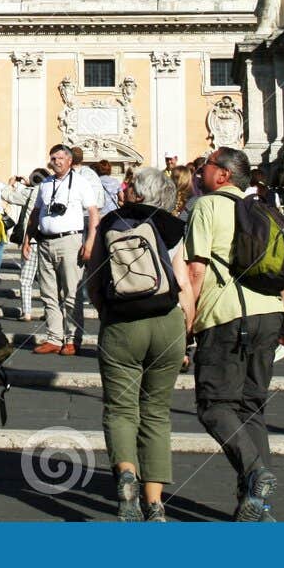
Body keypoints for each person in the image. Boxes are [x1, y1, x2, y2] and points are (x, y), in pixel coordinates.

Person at [185, 146, 284, 521]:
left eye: (206, 165)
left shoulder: (206, 207)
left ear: (223, 175)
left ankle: (255, 473)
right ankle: (257, 507)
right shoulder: (264, 208)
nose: (201, 171)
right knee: (252, 410)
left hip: (226, 316)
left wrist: (188, 322)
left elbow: (197, 270)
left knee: (215, 406)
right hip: (269, 313)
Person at [85, 166, 196, 521]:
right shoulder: (175, 228)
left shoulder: (111, 223)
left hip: (122, 323)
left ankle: (127, 479)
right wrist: (186, 331)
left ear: (137, 194)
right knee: (157, 414)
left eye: (130, 185)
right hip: (167, 323)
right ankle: (155, 504)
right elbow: (186, 284)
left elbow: (93, 281)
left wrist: (107, 314)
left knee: (120, 410)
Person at [24, 143, 102, 356]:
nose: (56, 161)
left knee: (71, 292)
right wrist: (26, 239)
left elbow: (94, 213)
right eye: (53, 158)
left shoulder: (80, 182)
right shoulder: (46, 184)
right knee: (48, 293)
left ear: (69, 160)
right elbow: (35, 212)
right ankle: (54, 337)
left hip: (70, 241)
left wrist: (90, 242)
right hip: (45, 242)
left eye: (60, 158)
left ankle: (72, 338)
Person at [13, 167, 48, 321]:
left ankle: (26, 312)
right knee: (47, 279)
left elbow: (8, 196)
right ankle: (49, 311)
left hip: (32, 240)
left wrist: (12, 184)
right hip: (48, 240)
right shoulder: (50, 190)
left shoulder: (30, 192)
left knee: (26, 279)